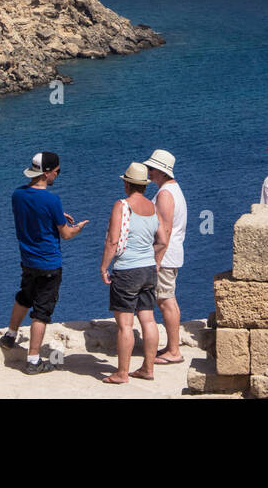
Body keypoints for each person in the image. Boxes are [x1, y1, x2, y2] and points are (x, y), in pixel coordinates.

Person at [2, 151, 88, 375]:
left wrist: (58, 214)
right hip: (49, 263)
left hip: (27, 259)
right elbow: (66, 235)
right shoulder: (52, 200)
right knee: (41, 312)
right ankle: (33, 361)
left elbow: (32, 212)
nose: (57, 176)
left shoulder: (17, 194)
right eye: (57, 172)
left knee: (24, 296)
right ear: (48, 173)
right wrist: (78, 228)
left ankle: (10, 335)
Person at [100, 162, 166, 383]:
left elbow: (112, 240)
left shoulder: (122, 205)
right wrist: (152, 259)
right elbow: (163, 240)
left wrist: (104, 267)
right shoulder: (153, 207)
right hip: (148, 269)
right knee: (148, 320)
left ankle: (122, 373)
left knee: (125, 325)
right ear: (144, 186)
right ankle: (148, 368)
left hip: (127, 270)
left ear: (127, 184)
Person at [144, 148, 186, 365]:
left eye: (151, 169)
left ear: (161, 171)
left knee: (165, 301)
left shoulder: (165, 194)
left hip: (165, 256)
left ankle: (173, 350)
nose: (149, 172)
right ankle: (172, 346)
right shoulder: (172, 190)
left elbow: (165, 230)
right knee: (168, 299)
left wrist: (156, 261)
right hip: (171, 254)